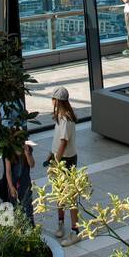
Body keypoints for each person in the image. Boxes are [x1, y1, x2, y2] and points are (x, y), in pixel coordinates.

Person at [46, 87, 79, 240]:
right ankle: (61, 223)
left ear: (57, 101)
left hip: (66, 161)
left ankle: (75, 230)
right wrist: (50, 155)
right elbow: (57, 141)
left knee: (69, 195)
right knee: (60, 193)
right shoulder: (61, 116)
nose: (52, 101)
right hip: (62, 159)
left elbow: (64, 143)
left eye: (53, 98)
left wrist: (56, 163)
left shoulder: (65, 119)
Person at [1, 134, 36, 221]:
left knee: (28, 208)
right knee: (14, 208)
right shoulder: (9, 153)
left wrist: (27, 153)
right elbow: (8, 172)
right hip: (13, 183)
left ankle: (30, 227)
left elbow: (32, 164)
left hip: (25, 183)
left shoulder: (26, 151)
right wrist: (11, 187)